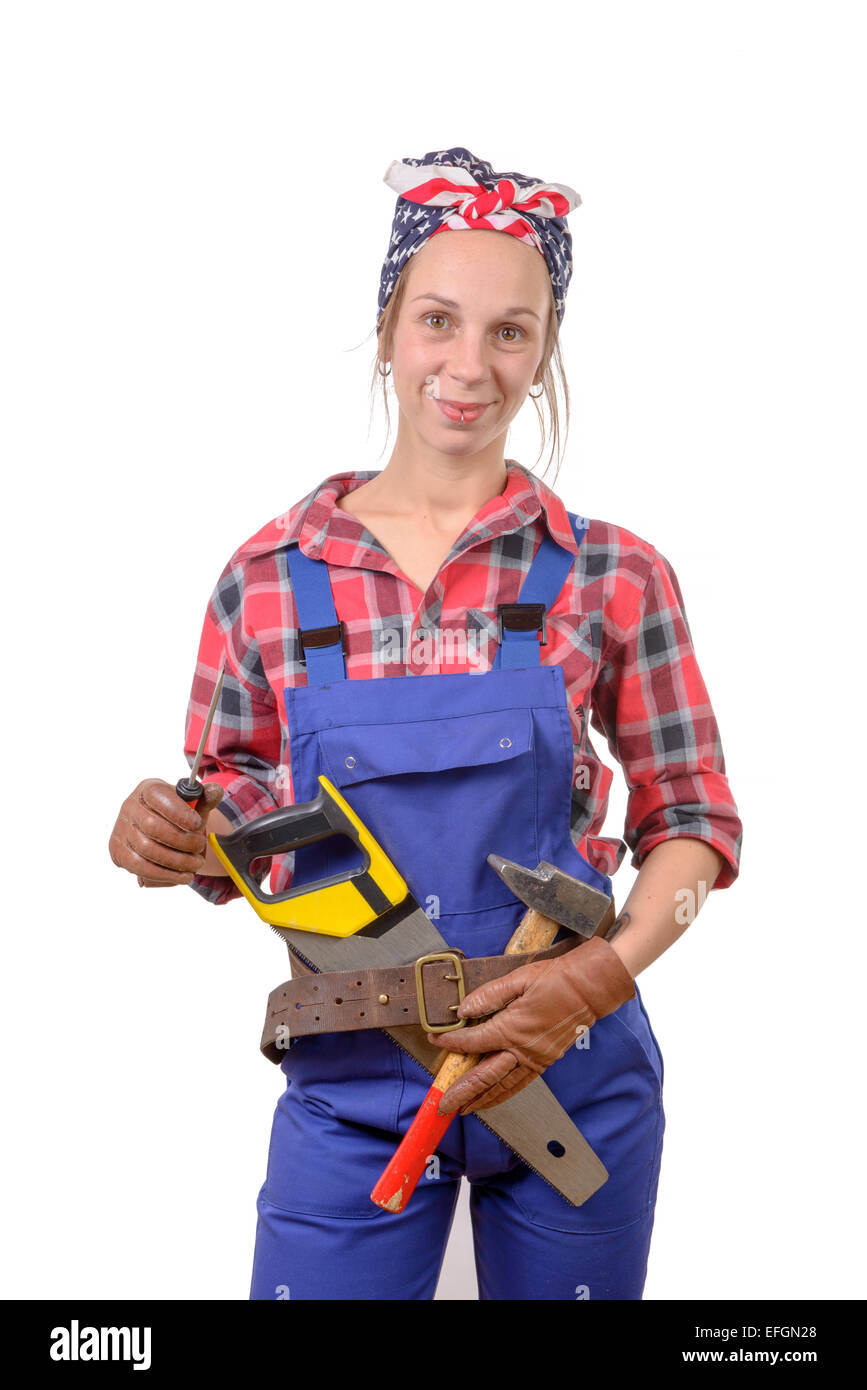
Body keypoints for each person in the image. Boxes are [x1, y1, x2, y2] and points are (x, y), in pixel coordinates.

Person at [109, 147, 743, 1301]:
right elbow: (240, 807)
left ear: (546, 348)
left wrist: (597, 980)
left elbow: (692, 816)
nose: (469, 365)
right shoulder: (267, 579)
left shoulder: (612, 572)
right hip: (350, 1078)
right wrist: (177, 830)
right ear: (390, 323)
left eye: (512, 330)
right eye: (438, 320)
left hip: (572, 1072)